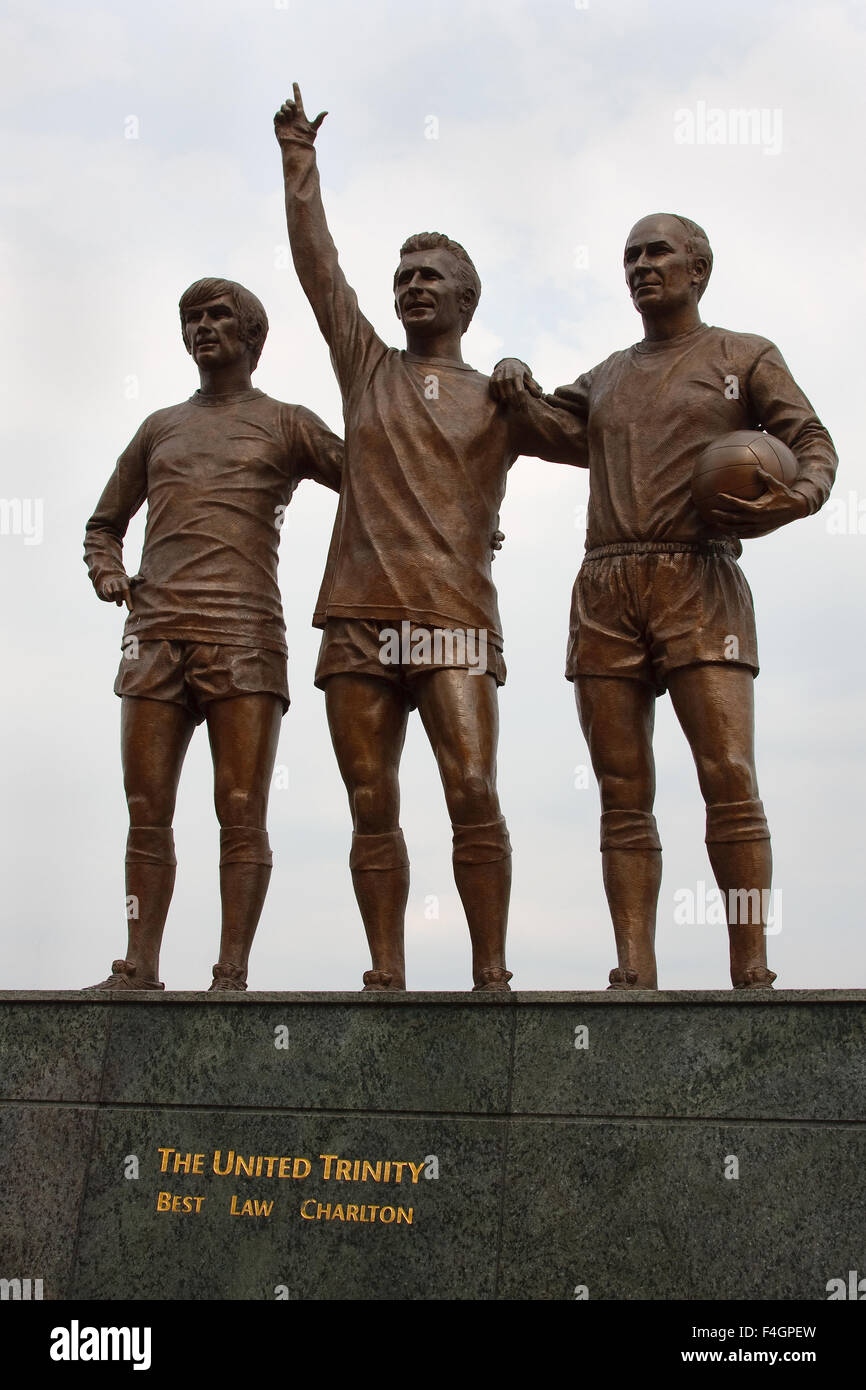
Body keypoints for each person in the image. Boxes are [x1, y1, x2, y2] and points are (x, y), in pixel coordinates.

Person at [274, 85, 585, 991]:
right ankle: (385, 975)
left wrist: (530, 389)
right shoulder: (367, 367)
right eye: (403, 277)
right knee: (372, 804)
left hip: (452, 617)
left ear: (466, 300)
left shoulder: (499, 396)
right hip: (358, 617)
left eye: (429, 278)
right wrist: (300, 159)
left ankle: (491, 976)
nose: (412, 288)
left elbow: (599, 441)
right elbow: (317, 265)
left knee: (472, 793)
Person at [490, 213, 837, 989]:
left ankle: (751, 970)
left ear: (698, 269)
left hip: (699, 577)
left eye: (658, 253)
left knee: (728, 774)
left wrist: (799, 497)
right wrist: (512, 378)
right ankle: (634, 971)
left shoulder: (744, 355)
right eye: (631, 256)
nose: (642, 267)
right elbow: (547, 425)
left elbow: (813, 441)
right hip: (607, 582)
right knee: (621, 789)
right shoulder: (608, 375)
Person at [83, 278, 343, 991]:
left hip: (245, 633)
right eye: (191, 318)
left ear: (252, 336)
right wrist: (108, 571)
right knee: (146, 808)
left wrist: (463, 520)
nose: (203, 327)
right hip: (155, 633)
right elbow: (104, 523)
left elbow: (373, 483)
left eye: (218, 316)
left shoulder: (288, 423)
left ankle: (231, 969)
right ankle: (140, 962)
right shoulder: (159, 426)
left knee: (240, 808)